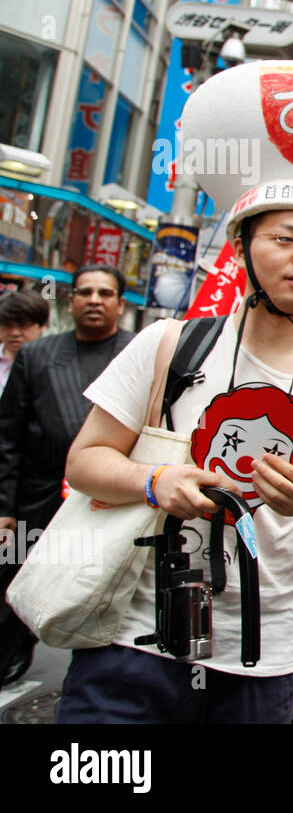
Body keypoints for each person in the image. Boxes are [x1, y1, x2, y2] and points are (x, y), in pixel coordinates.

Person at [54, 61, 293, 723]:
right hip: (131, 641)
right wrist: (158, 484)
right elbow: (85, 461)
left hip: (259, 659)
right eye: (286, 238)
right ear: (241, 248)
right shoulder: (167, 344)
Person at [0, 266, 133, 687]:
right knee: (12, 585)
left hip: (112, 506)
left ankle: (98, 683)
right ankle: (9, 657)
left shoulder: (139, 353)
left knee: (101, 595)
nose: (95, 299)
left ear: (119, 303)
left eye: (105, 293)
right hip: (35, 501)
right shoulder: (37, 356)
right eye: (86, 292)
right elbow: (7, 437)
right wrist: (3, 508)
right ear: (71, 300)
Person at [0, 289, 49, 393]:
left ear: (42, 326)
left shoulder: (55, 366)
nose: (14, 333)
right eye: (7, 325)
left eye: (23, 325)